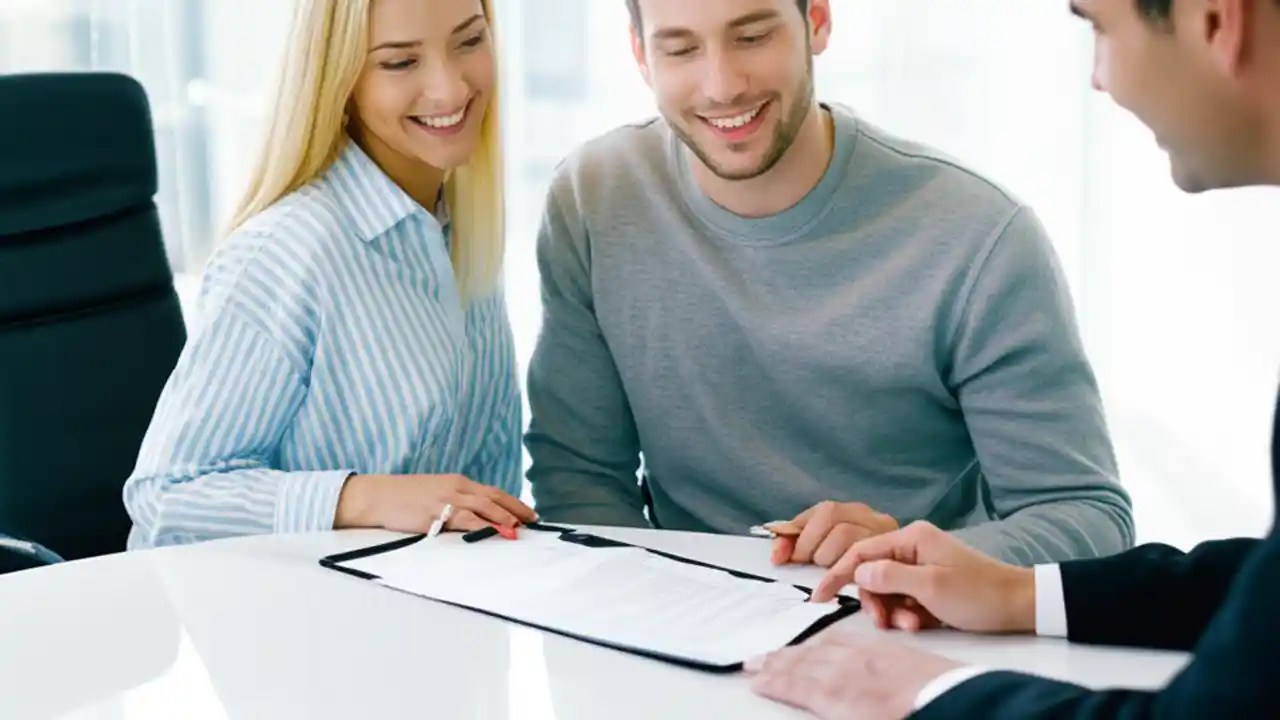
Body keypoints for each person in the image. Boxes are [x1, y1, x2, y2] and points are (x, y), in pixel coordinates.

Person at [745, 0, 1280, 717]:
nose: (1099, 78)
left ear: (1219, 22)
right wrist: (1019, 592)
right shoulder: (597, 198)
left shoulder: (975, 229)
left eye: (1100, 28)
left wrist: (925, 692)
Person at [523, 0, 1133, 566]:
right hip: (685, 627)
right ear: (640, 55)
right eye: (681, 50)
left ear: (816, 20)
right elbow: (580, 479)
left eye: (754, 35)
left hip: (915, 630)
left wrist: (907, 555)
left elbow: (1087, 519)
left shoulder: (979, 235)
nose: (722, 84)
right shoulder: (594, 200)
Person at [122, 0, 536, 549]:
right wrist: (362, 498)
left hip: (433, 612)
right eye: (399, 62)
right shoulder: (286, 253)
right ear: (341, 81)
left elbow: (484, 492)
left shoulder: (462, 231)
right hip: (296, 619)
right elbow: (167, 494)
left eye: (468, 41)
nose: (450, 88)